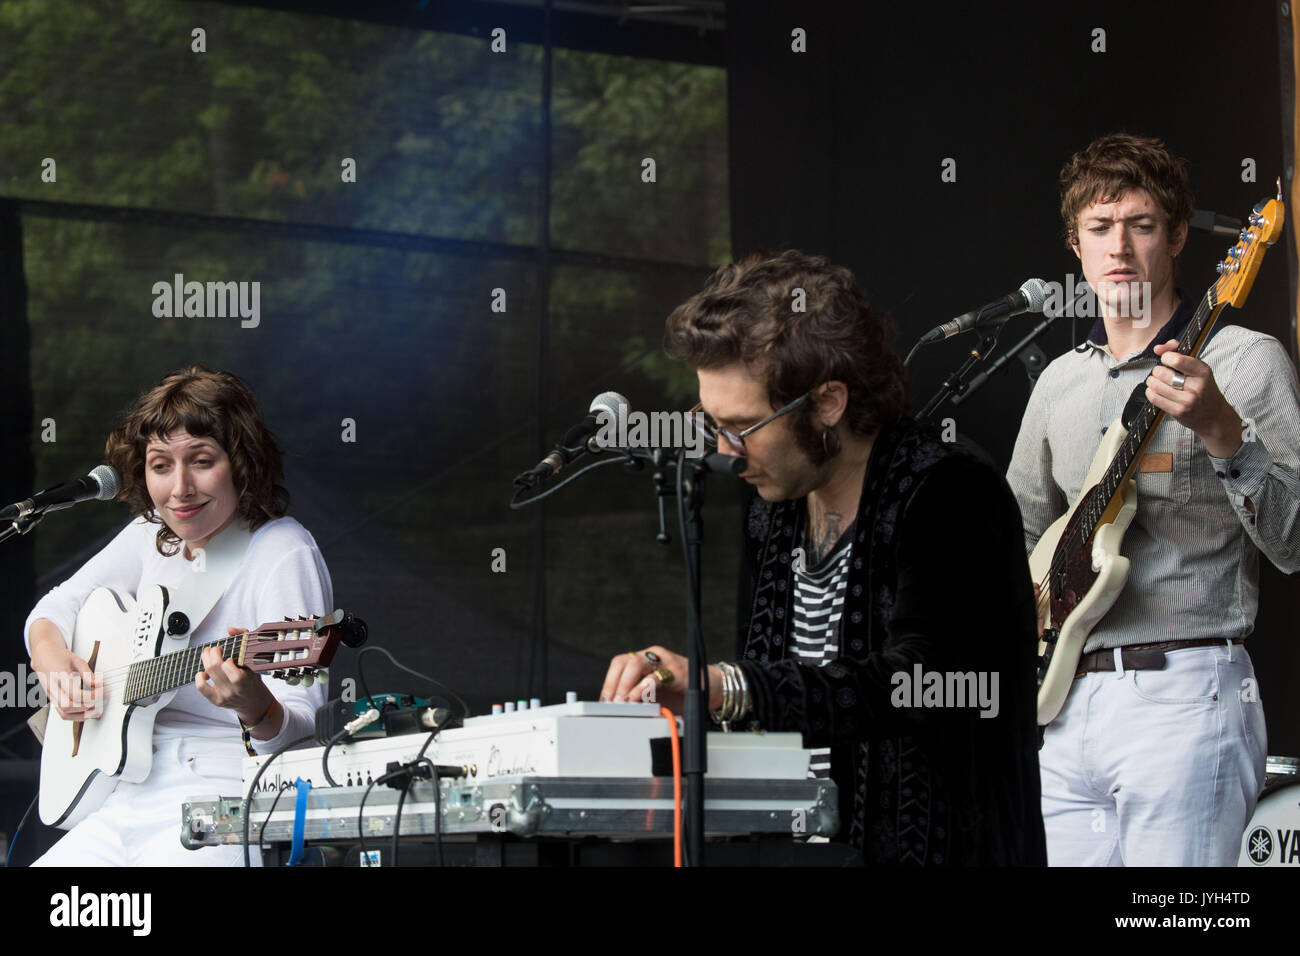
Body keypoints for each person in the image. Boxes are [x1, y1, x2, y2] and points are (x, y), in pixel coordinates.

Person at [601, 250, 1047, 865]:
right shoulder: (775, 507)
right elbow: (774, 699)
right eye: (713, 425)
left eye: (743, 426)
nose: (727, 452)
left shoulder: (949, 490)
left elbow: (926, 685)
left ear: (828, 401)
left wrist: (726, 685)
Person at [1007, 133, 1300, 866]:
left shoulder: (1243, 360)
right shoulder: (1059, 384)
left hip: (1187, 696)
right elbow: (1021, 531)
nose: (1120, 248)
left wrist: (1226, 433)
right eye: (1100, 228)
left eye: (1140, 225)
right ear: (1075, 244)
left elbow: (1296, 543)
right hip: (1063, 704)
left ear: (1174, 237)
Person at [25, 365, 331, 866]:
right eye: (160, 465)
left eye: (202, 461)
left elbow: (303, 727)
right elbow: (55, 607)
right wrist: (52, 658)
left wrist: (255, 706)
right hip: (123, 796)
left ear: (242, 462)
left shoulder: (281, 550)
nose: (180, 488)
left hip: (223, 797)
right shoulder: (150, 536)